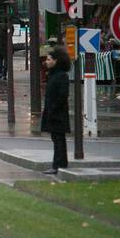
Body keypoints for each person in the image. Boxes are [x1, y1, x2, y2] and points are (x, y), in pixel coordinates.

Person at [41, 45, 71, 173]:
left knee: (58, 139)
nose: (46, 62)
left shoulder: (61, 76)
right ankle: (59, 163)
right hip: (53, 111)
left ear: (56, 61)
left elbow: (62, 95)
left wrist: (53, 109)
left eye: (48, 59)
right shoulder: (53, 75)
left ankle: (58, 164)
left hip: (57, 113)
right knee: (56, 138)